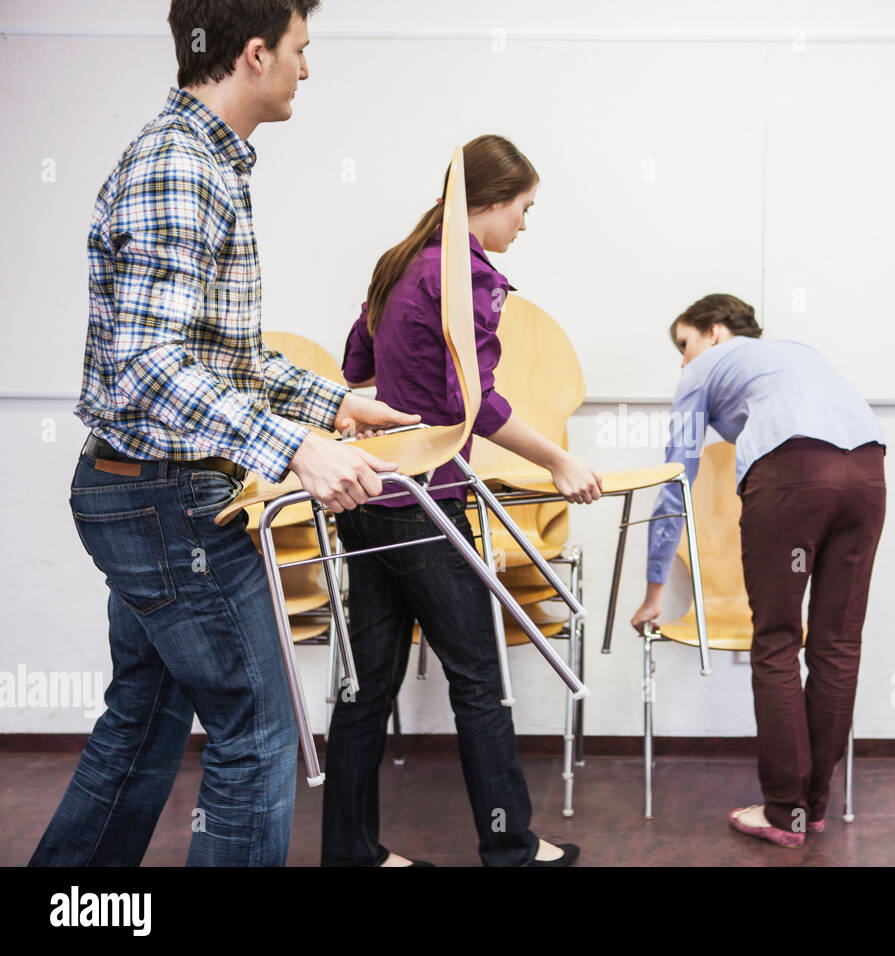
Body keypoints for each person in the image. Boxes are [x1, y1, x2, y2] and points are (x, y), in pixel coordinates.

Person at [30, 0, 420, 867]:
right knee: (256, 732)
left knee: (147, 715)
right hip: (169, 502)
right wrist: (292, 447)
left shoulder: (199, 161)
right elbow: (150, 365)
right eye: (300, 49)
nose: (306, 69)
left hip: (148, 493)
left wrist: (332, 403)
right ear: (254, 54)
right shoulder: (180, 170)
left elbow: (217, 355)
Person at [322, 134, 602, 867]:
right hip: (427, 505)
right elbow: (476, 404)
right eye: (523, 208)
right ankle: (510, 847)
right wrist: (560, 460)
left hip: (367, 497)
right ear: (487, 203)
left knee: (366, 689)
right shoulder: (468, 275)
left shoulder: (399, 262)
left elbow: (356, 366)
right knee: (479, 680)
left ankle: (351, 854)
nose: (524, 225)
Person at [630, 294, 887, 848]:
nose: (682, 360)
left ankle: (783, 812)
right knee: (838, 644)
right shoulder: (797, 353)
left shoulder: (704, 369)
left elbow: (677, 483)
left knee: (774, 641)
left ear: (715, 331)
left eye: (684, 343)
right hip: (868, 469)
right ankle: (811, 809)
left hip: (794, 473)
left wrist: (655, 592)